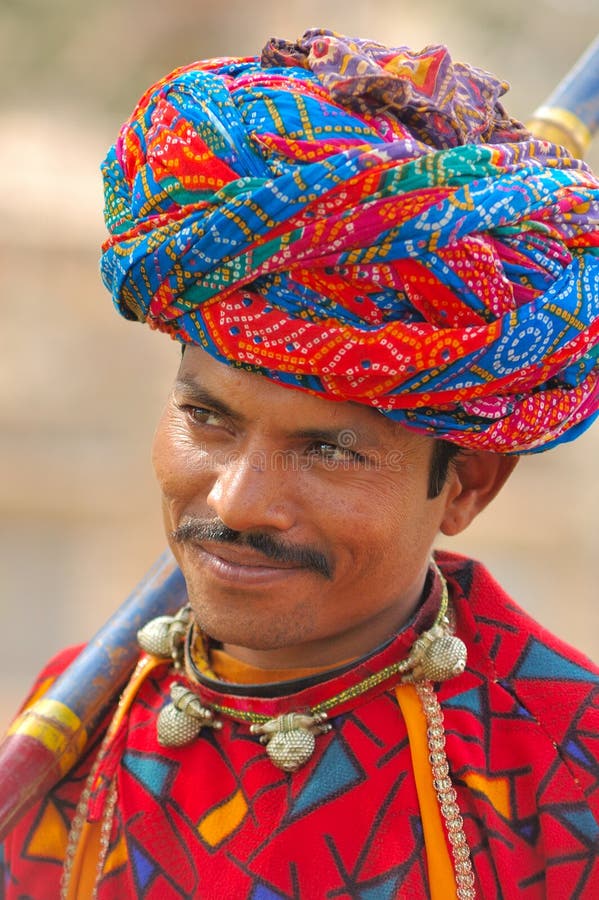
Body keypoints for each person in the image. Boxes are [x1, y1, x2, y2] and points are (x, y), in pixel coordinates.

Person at [2, 28, 599, 900]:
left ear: (467, 484)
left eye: (327, 450)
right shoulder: (79, 719)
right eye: (207, 418)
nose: (239, 502)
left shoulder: (568, 774)